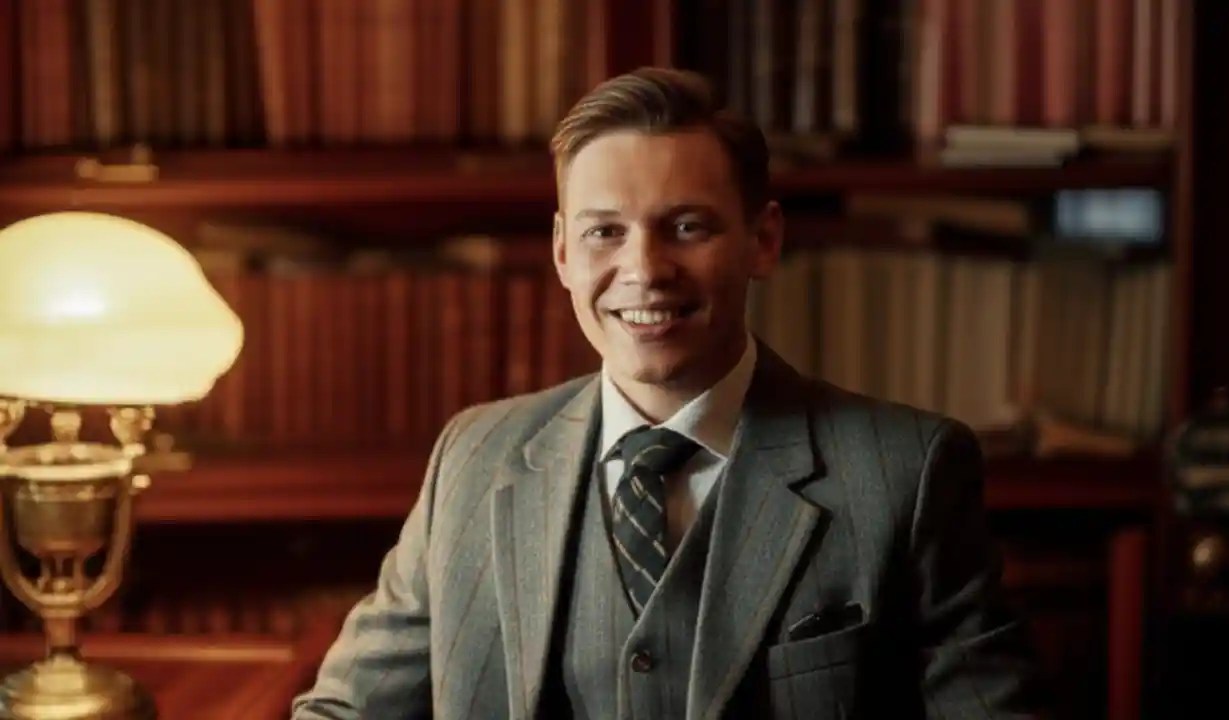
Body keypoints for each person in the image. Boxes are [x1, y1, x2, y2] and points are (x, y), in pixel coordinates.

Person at [292, 67, 1045, 719]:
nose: (644, 269)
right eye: (604, 233)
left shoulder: (906, 473)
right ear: (561, 252)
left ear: (764, 241)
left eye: (686, 227)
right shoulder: (472, 458)